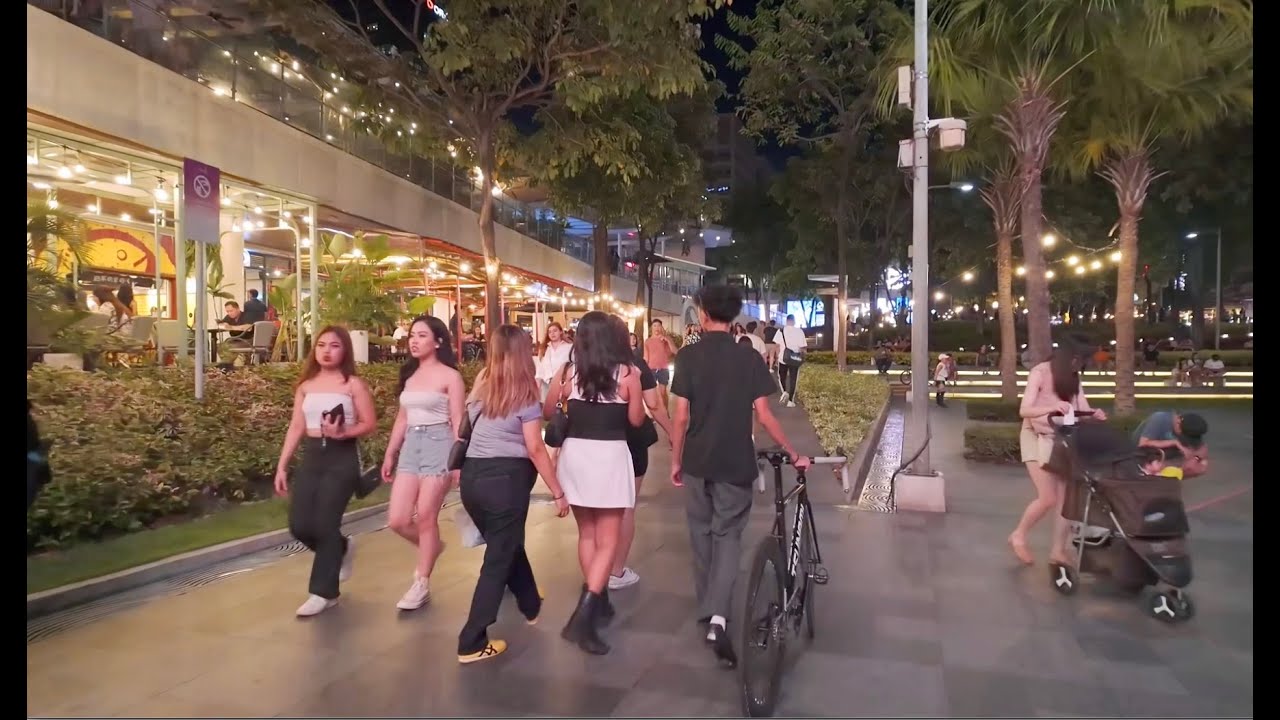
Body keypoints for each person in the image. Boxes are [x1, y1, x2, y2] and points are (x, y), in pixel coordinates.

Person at [670, 285, 810, 667]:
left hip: (697, 461)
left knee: (700, 536)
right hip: (735, 462)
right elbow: (764, 416)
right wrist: (794, 452)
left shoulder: (687, 356)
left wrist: (675, 459)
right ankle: (718, 617)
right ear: (732, 317)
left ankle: (707, 611)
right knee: (727, 536)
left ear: (702, 315)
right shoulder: (746, 357)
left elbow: (680, 416)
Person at [456, 325, 570, 664]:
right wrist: (558, 491)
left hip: (473, 479)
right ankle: (471, 640)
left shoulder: (481, 383)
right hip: (506, 480)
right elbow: (535, 447)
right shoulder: (526, 389)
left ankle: (530, 601)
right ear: (524, 352)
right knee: (498, 559)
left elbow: (464, 429)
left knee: (504, 543)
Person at [543, 311, 646, 656]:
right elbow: (635, 420)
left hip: (575, 456)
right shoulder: (628, 373)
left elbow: (547, 410)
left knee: (587, 534)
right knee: (609, 540)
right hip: (610, 457)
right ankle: (583, 617)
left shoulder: (568, 372)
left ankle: (597, 599)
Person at [274, 326, 378, 617]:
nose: (327, 350)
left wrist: (344, 432)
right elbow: (296, 426)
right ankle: (342, 548)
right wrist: (282, 464)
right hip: (312, 453)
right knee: (300, 524)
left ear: (344, 350)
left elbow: (369, 423)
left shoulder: (352, 384)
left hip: (341, 456)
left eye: (334, 345)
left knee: (325, 524)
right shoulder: (305, 385)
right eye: (321, 345)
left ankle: (323, 592)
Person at [381, 316, 466, 611]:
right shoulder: (410, 375)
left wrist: (458, 461)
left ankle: (421, 581)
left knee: (427, 515)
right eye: (412, 336)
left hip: (439, 443)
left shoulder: (450, 377)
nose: (414, 341)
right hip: (411, 447)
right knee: (398, 520)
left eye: (421, 336)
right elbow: (402, 418)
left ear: (438, 341)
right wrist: (391, 452)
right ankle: (432, 548)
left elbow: (457, 420)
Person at [1007, 344, 1106, 567]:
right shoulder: (1040, 372)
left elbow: (1082, 407)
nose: (1080, 366)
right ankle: (1019, 535)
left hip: (1062, 439)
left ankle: (1058, 551)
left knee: (1065, 499)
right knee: (1048, 497)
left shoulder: (1074, 379)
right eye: (1079, 361)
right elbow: (1025, 410)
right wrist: (1052, 407)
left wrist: (1093, 414)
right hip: (1035, 435)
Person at [609, 315, 673, 591]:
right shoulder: (634, 366)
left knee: (597, 513)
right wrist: (673, 433)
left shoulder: (583, 366)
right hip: (631, 440)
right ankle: (616, 571)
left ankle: (597, 567)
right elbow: (654, 405)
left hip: (591, 443)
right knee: (626, 506)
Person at [1133, 410, 1209, 478]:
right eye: (1184, 434)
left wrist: (1198, 459)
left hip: (1165, 456)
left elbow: (1201, 449)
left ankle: (1170, 479)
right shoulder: (1160, 418)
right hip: (1141, 455)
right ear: (1178, 422)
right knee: (1158, 468)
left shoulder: (1190, 428)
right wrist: (1174, 443)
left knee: (1199, 467)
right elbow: (1143, 443)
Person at [644, 319, 677, 408]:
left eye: (658, 325)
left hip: (663, 369)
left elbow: (675, 351)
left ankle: (666, 412)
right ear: (652, 328)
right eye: (655, 326)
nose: (657, 328)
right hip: (651, 370)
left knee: (663, 393)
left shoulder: (666, 339)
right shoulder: (647, 341)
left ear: (661, 327)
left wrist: (667, 340)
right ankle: (656, 415)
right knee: (652, 394)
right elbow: (646, 358)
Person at [535, 322, 573, 401]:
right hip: (547, 384)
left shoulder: (569, 347)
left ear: (561, 331)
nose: (552, 333)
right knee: (546, 410)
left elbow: (574, 365)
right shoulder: (544, 349)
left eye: (555, 330)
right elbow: (540, 370)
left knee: (561, 409)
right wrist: (537, 387)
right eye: (550, 332)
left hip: (563, 384)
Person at [777, 314, 807, 407]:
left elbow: (777, 346)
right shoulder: (799, 331)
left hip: (783, 358)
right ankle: (790, 400)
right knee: (793, 379)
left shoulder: (780, 330)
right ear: (794, 321)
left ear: (786, 321)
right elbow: (803, 348)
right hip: (794, 358)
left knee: (782, 376)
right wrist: (803, 357)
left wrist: (776, 357)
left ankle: (785, 391)